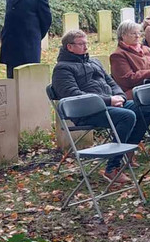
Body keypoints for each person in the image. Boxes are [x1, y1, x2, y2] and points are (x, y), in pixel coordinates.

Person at [52, 28, 144, 177]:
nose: (86, 47)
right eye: (81, 44)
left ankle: (128, 151)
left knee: (145, 109)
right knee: (127, 116)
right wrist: (108, 100)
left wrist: (120, 96)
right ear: (69, 47)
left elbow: (111, 82)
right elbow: (74, 95)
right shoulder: (62, 69)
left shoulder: (94, 61)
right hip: (86, 111)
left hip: (110, 104)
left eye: (86, 43)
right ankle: (112, 168)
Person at [0, 0, 53, 79]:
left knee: (28, 79)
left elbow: (46, 21)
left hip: (28, 45)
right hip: (11, 45)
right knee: (12, 79)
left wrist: (34, 36)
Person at [110, 20, 150, 99]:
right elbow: (128, 79)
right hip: (136, 94)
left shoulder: (145, 49)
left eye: (139, 33)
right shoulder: (118, 55)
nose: (138, 36)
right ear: (123, 35)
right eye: (133, 33)